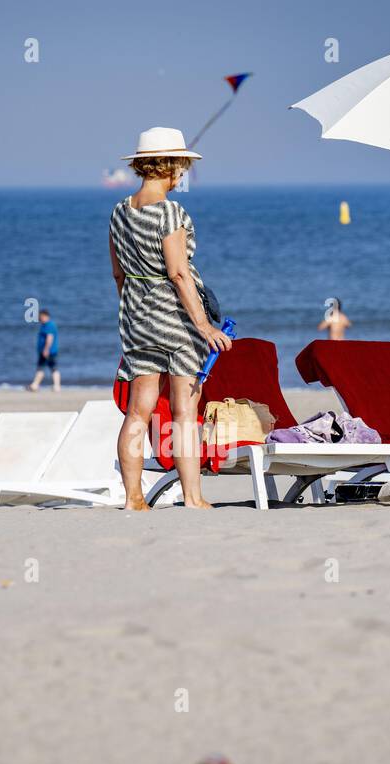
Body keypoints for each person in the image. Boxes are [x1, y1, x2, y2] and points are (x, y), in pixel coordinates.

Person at [109, 127, 231, 511]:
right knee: (184, 413)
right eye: (181, 166)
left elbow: (118, 274)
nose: (183, 174)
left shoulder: (119, 211)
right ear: (170, 166)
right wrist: (205, 326)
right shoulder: (170, 211)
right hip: (177, 322)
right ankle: (192, 497)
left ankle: (133, 499)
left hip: (136, 318)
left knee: (138, 410)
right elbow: (179, 273)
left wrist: (137, 311)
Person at [28, 309, 61, 391]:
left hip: (48, 351)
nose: (39, 319)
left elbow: (49, 338)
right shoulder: (46, 325)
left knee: (44, 367)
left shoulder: (49, 325)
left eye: (40, 317)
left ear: (45, 316)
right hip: (49, 351)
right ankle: (55, 386)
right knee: (51, 368)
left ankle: (35, 385)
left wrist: (46, 349)